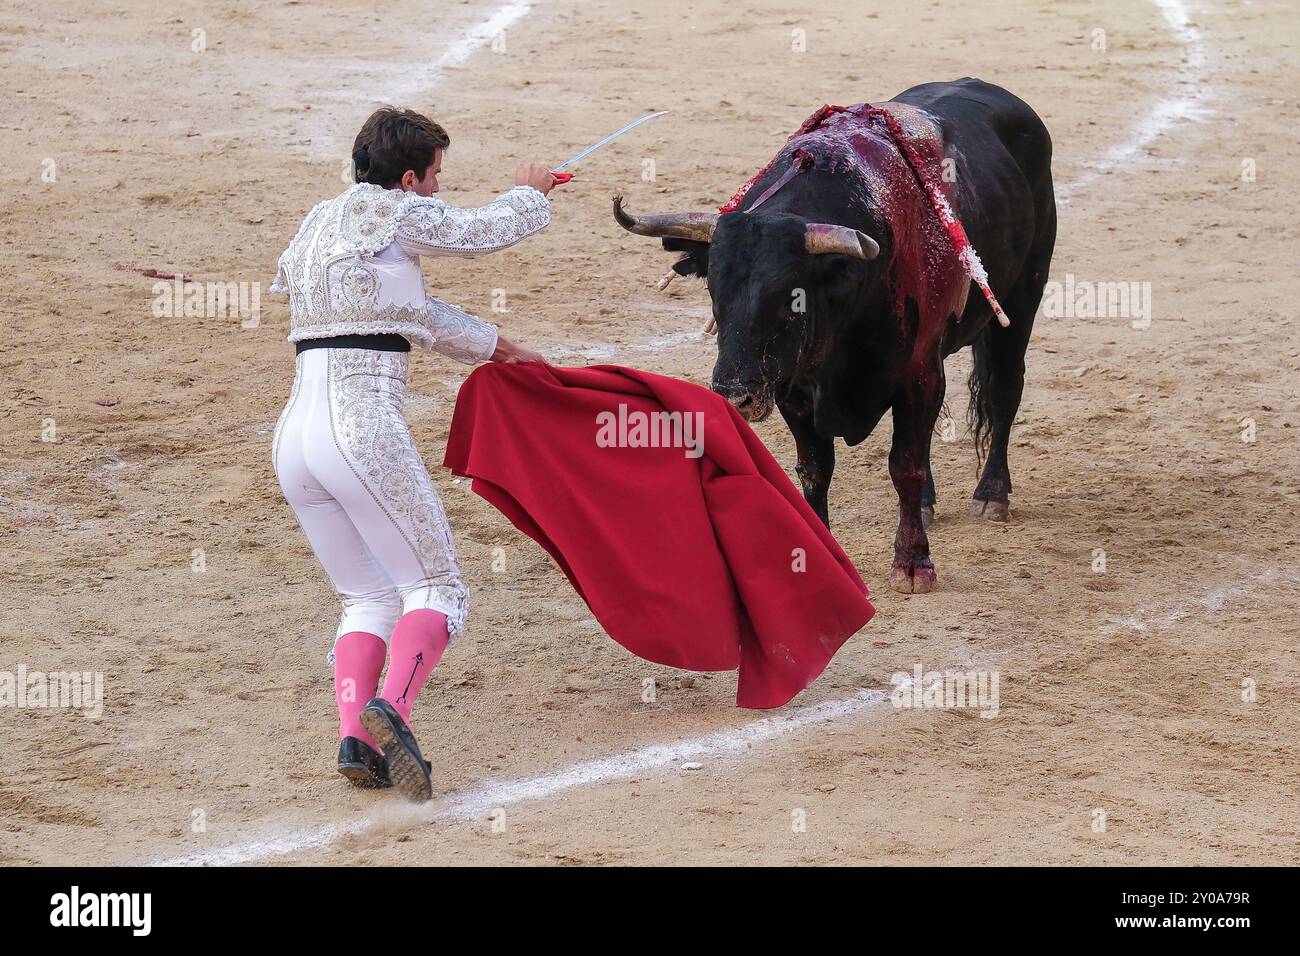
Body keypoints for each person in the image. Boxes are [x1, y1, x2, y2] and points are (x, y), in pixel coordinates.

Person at [269, 107, 555, 801]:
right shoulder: (394, 210)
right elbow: (480, 232)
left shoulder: (318, 226)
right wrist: (534, 193)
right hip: (361, 428)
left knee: (367, 594)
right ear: (406, 178)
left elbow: (411, 311)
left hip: (293, 439)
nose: (435, 191)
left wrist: (499, 346)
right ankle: (392, 707)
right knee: (437, 589)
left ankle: (355, 739)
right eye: (433, 178)